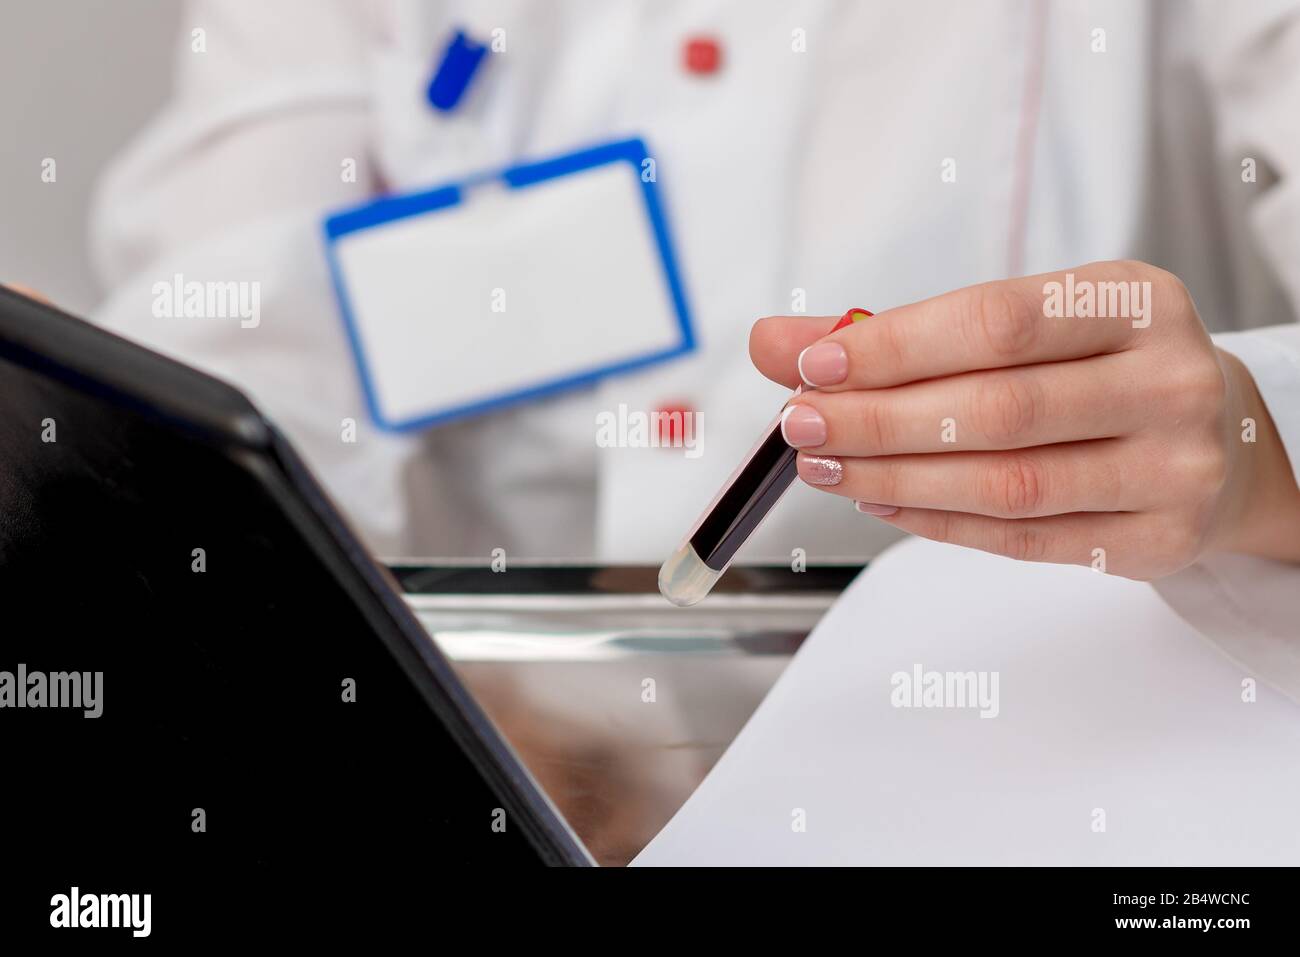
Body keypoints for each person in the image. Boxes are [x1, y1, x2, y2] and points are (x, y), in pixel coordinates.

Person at [89, 2, 1298, 686]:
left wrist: (1255, 448)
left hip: (1017, 748)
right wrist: (122, 478)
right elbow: (227, 334)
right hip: (488, 738)